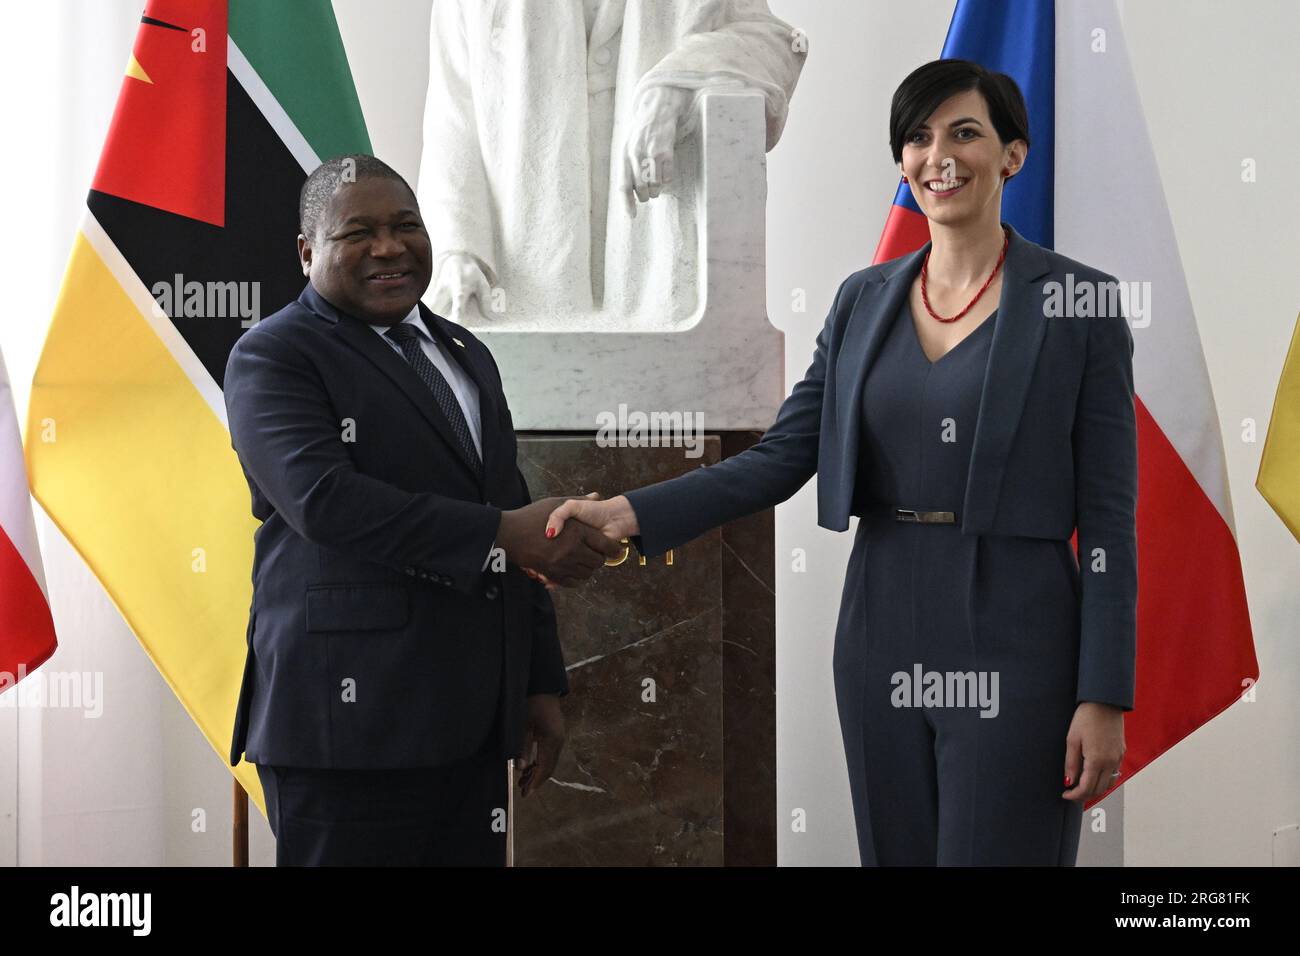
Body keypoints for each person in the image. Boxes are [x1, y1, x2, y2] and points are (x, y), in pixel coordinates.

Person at [542, 59, 1137, 866]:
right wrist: (629, 514)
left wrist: (1103, 695)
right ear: (903, 162)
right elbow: (784, 455)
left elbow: (1109, 521)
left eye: (966, 133)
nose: (941, 156)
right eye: (919, 138)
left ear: (1013, 155)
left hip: (1019, 631)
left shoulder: (1081, 307)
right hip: (880, 621)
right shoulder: (864, 299)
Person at [223, 154, 623, 866]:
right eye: (360, 232)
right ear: (308, 251)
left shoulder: (464, 352)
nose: (389, 246)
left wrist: (537, 682)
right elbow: (325, 501)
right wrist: (503, 534)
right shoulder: (273, 355)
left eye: (407, 225)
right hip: (347, 731)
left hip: (471, 726)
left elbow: (512, 511)